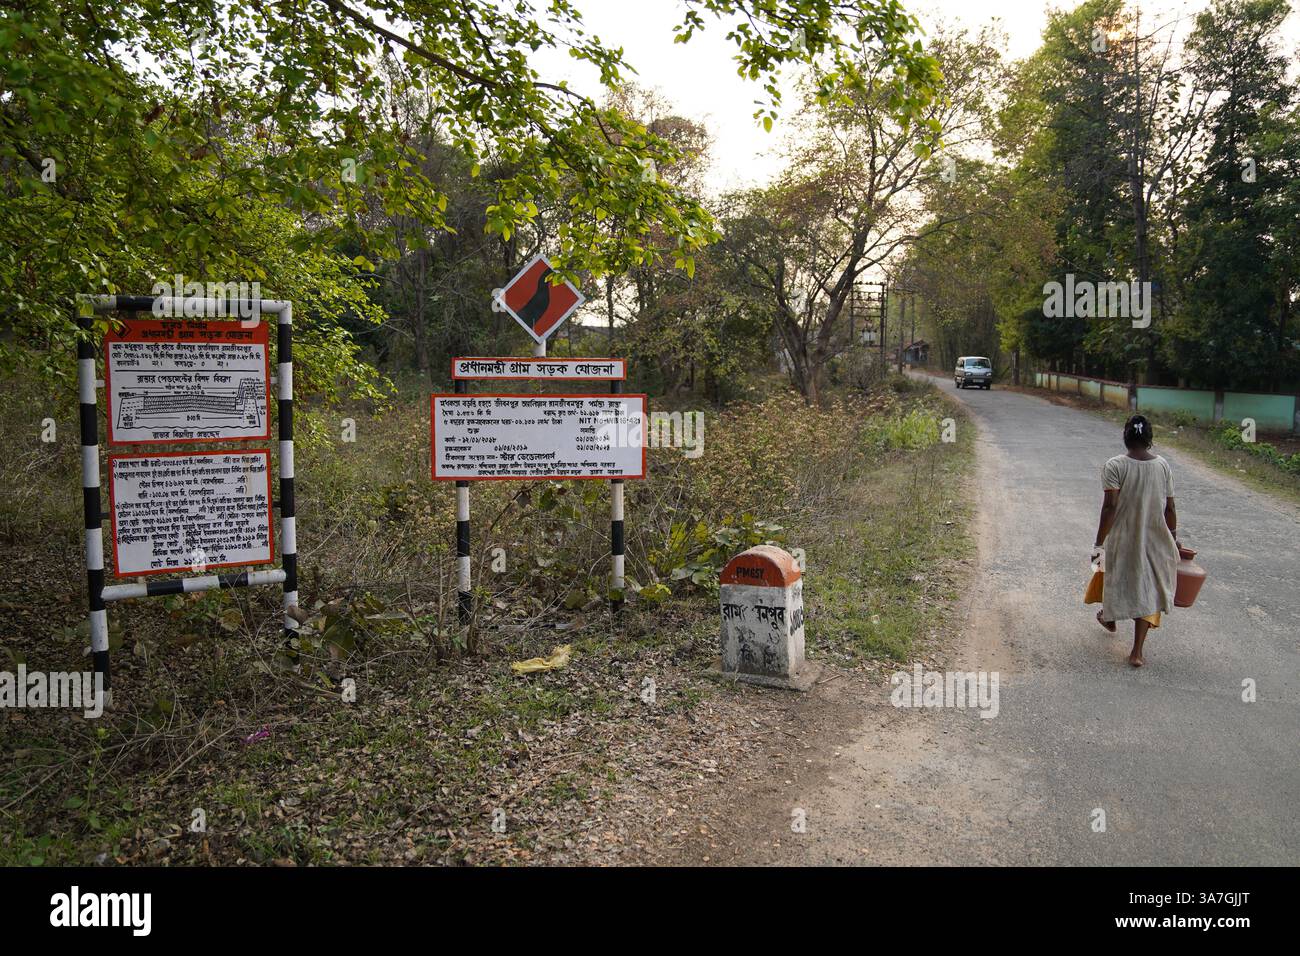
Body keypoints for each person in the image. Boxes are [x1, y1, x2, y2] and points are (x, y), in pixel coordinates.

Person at [1090, 415, 1180, 667]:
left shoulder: (1115, 466)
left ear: (1126, 437)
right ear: (1149, 439)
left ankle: (1110, 616)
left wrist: (1099, 542)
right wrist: (1173, 539)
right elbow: (1170, 508)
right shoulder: (1163, 466)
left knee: (1114, 580)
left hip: (1121, 538)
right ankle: (1136, 652)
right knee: (1148, 591)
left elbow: (1110, 507)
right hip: (1155, 539)